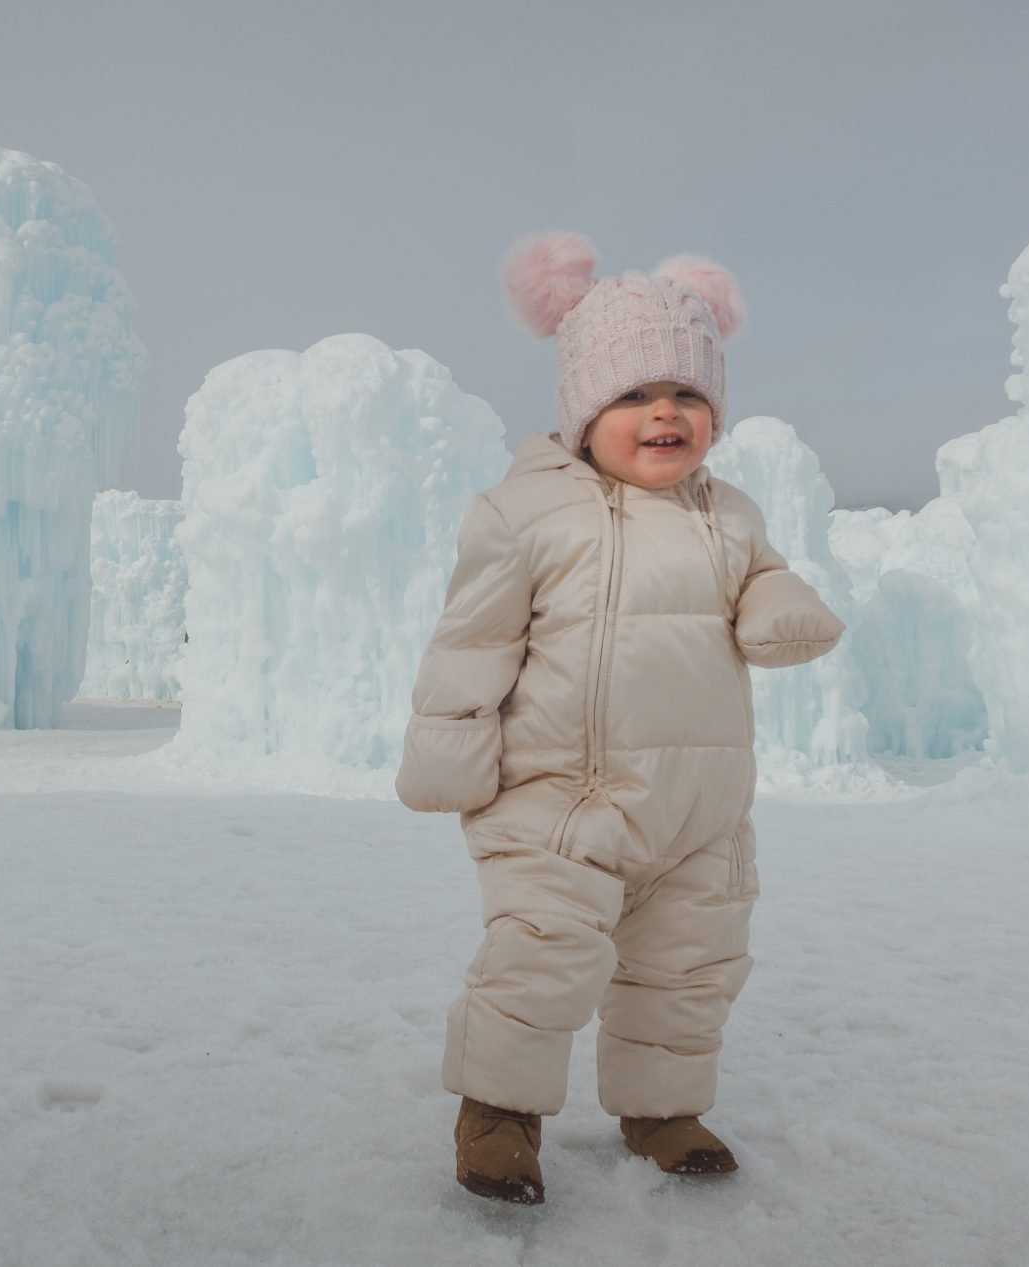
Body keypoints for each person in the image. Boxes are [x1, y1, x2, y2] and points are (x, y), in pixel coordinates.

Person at [395, 231, 845, 1205]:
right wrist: (447, 751)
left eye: (686, 393)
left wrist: (778, 604)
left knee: (690, 966)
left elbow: (764, 578)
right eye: (635, 393)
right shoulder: (524, 513)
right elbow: (472, 641)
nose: (664, 412)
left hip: (699, 812)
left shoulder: (729, 516)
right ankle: (498, 1114)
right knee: (540, 955)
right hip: (560, 800)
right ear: (584, 410)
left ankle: (661, 1109)